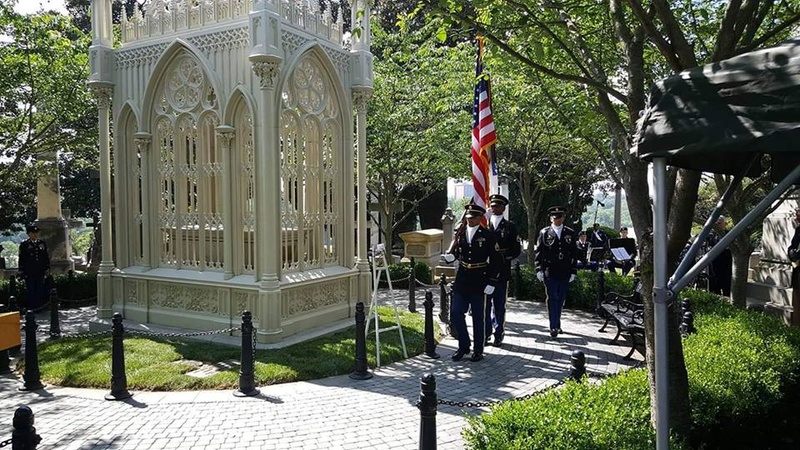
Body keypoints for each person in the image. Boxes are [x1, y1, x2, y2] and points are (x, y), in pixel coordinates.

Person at [442, 203, 501, 362]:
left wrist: (492, 281)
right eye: (468, 217)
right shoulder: (460, 234)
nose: (470, 220)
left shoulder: (487, 235)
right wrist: (450, 257)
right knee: (455, 313)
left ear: (479, 218)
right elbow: (456, 253)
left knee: (478, 317)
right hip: (462, 279)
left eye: (473, 218)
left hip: (479, 279)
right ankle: (464, 345)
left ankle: (478, 349)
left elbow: (496, 260)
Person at [534, 206, 578, 338]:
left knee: (561, 299)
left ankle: (557, 324)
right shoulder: (544, 233)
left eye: (559, 217)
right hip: (550, 271)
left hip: (564, 271)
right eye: (554, 217)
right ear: (551, 218)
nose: (556, 220)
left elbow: (574, 253)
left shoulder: (569, 233)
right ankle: (553, 326)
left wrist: (573, 271)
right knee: (552, 298)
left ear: (563, 218)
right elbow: (539, 253)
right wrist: (538, 269)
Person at [484, 194, 521, 348]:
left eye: (498, 206)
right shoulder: (484, 225)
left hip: (501, 271)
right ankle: (486, 333)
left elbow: (516, 249)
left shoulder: (510, 227)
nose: (494, 208)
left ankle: (498, 333)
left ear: (503, 208)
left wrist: (503, 257)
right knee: (485, 305)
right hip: (485, 271)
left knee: (499, 305)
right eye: (492, 206)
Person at [18, 224, 50, 310]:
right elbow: (22, 258)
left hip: (40, 270)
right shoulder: (24, 244)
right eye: (33, 233)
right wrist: (21, 270)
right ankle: (32, 307)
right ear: (29, 234)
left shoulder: (41, 243)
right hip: (29, 271)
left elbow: (45, 257)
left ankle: (40, 306)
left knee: (40, 288)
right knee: (31, 289)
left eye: (36, 232)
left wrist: (47, 268)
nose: (35, 234)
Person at [706, 216, 732, 296]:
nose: (717, 225)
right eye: (716, 223)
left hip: (725, 264)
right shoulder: (710, 235)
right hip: (713, 264)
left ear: (725, 224)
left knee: (726, 284)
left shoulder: (729, 234)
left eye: (720, 223)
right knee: (713, 284)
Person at [787, 208, 800, 326]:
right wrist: (793, 255)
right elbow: (792, 246)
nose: (796, 218)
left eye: (799, 215)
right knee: (797, 304)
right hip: (798, 272)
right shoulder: (799, 230)